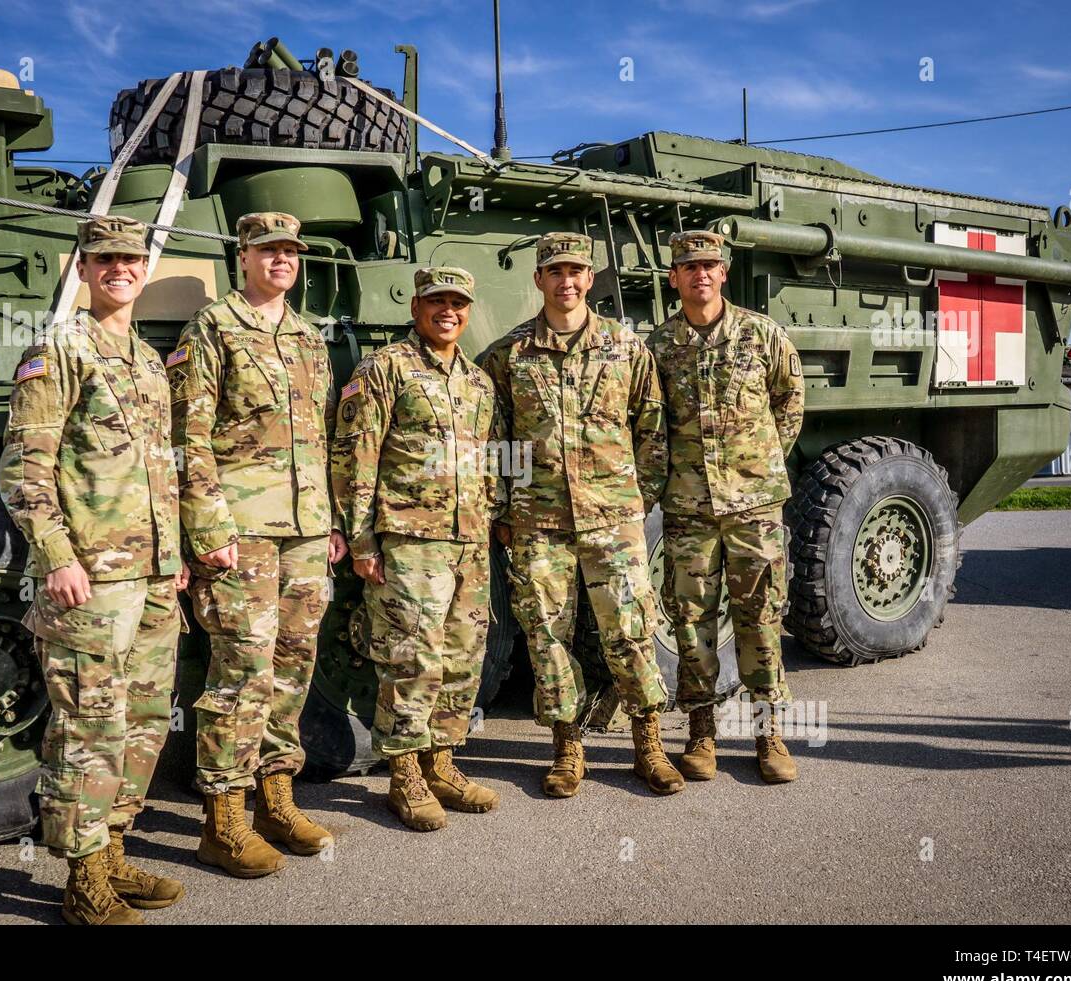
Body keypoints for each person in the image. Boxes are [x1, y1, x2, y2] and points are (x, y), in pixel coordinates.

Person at [0, 214, 187, 925]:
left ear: (144, 270)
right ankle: (82, 880)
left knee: (141, 725)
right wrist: (56, 557)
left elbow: (159, 472)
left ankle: (110, 850)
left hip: (153, 576)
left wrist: (174, 559)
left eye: (130, 259)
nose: (119, 269)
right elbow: (25, 468)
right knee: (89, 728)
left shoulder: (144, 359)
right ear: (82, 269)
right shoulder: (58, 348)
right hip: (93, 581)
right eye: (104, 259)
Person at [168, 211, 346, 877]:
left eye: (290, 251)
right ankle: (223, 820)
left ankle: (277, 798)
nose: (281, 260)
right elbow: (189, 433)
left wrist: (329, 521)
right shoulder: (214, 327)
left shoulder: (306, 336)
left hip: (304, 528)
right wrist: (209, 526)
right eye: (268, 250)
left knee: (294, 669)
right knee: (240, 673)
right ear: (242, 257)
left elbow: (322, 435)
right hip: (242, 529)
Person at [484, 232, 684, 798]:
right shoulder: (509, 355)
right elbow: (494, 439)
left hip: (611, 519)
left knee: (630, 629)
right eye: (555, 271)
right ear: (538, 280)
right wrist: (504, 506)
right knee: (549, 636)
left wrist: (636, 500)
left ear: (589, 279)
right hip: (538, 522)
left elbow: (652, 429)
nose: (565, 281)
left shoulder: (626, 348)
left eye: (575, 271)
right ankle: (567, 747)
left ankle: (649, 742)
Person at [330, 267, 503, 831]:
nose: (447, 311)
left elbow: (492, 457)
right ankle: (403, 774)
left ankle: (441, 763)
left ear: (468, 311)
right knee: (411, 659)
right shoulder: (385, 369)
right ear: (415, 307)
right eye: (436, 302)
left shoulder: (478, 382)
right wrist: (362, 540)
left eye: (458, 302)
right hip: (410, 542)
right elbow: (355, 456)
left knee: (462, 657)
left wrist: (493, 516)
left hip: (469, 541)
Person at [648, 230, 805, 784]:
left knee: (761, 617)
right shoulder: (658, 347)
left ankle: (769, 736)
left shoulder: (763, 335)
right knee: (691, 621)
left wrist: (759, 465)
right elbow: (649, 424)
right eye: (689, 266)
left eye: (710, 265)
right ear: (674, 277)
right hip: (688, 507)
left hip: (754, 507)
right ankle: (701, 735)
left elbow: (790, 402)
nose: (701, 274)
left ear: (724, 272)